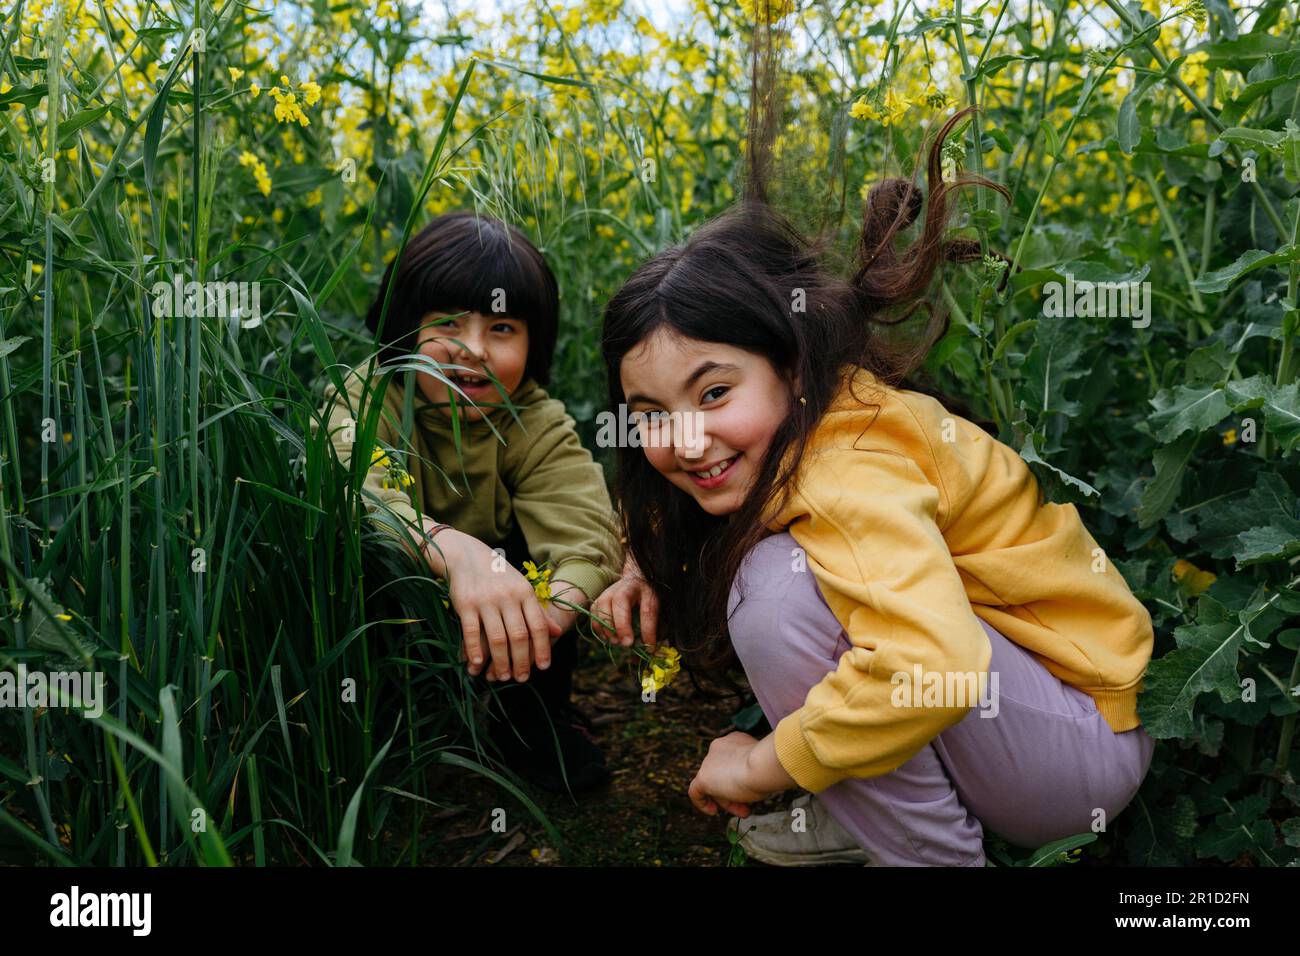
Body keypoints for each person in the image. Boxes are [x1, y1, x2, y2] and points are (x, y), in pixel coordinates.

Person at [591, 108, 1156, 865]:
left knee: (779, 595)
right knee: (794, 584)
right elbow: (664, 482)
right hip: (1039, 724)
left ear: (790, 365)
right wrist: (640, 562)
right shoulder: (823, 412)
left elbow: (936, 667)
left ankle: (929, 855)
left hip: (1077, 749)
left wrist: (761, 764)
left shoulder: (843, 467)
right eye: (650, 415)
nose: (687, 439)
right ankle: (869, 806)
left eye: (716, 393)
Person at [320, 211, 621, 794]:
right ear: (406, 330)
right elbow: (347, 489)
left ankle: (531, 721)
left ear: (535, 344)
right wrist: (456, 552)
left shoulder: (533, 417)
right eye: (448, 325)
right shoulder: (369, 395)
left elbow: (587, 529)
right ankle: (378, 725)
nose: (473, 351)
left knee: (540, 561)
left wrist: (547, 618)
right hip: (387, 609)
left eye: (503, 328)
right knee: (347, 547)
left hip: (508, 624)